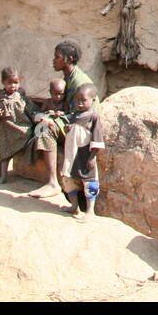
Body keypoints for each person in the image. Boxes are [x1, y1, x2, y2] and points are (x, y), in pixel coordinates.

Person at [28, 41, 94, 199]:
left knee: (45, 129)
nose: (54, 60)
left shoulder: (79, 81)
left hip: (82, 127)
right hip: (69, 119)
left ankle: (53, 183)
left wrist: (55, 120)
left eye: (57, 57)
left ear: (68, 59)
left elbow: (84, 113)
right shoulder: (67, 78)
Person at [0, 67, 39, 182]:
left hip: (22, 129)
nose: (13, 86)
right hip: (6, 131)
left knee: (26, 141)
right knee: (4, 152)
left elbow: (32, 110)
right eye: (9, 83)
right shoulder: (0, 97)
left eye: (16, 83)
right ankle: (3, 176)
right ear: (3, 82)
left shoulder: (21, 96)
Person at [59, 82, 104, 221]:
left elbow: (97, 139)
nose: (79, 103)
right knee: (68, 179)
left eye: (83, 100)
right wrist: (68, 128)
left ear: (93, 99)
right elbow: (70, 129)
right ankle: (74, 206)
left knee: (89, 182)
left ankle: (90, 211)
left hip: (85, 155)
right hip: (71, 156)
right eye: (77, 100)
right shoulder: (74, 115)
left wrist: (92, 157)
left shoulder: (94, 117)